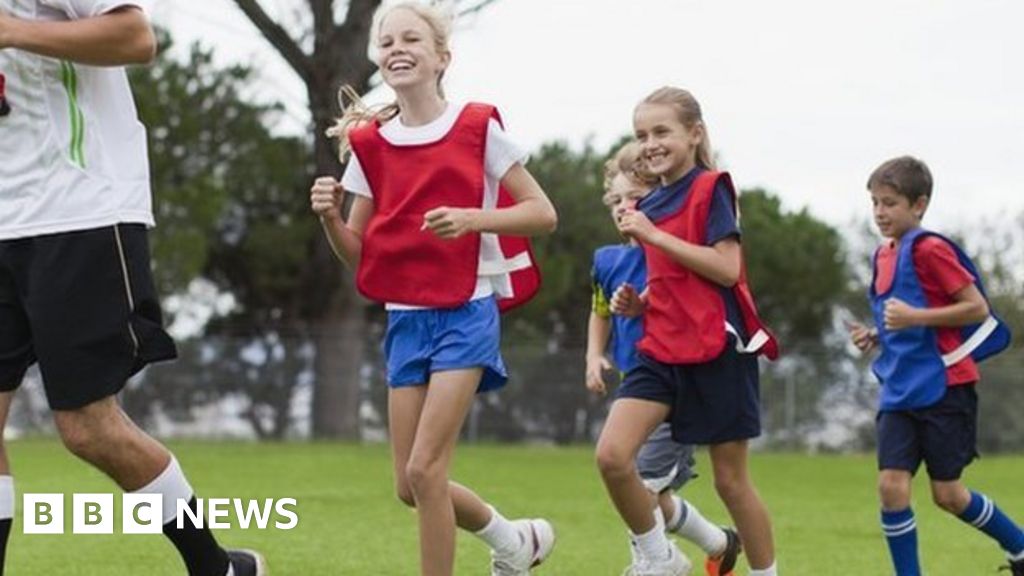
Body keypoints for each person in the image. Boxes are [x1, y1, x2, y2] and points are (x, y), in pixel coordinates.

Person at [0, 2, 264, 575]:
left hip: (78, 210)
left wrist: (12, 31)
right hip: (3, 218)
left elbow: (135, 36)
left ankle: (215, 567)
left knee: (87, 428)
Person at [308, 3, 558, 575]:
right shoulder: (370, 146)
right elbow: (359, 254)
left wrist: (473, 219)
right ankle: (514, 543)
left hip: (466, 313)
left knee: (426, 471)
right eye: (387, 40)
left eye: (411, 39)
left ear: (442, 57)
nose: (396, 47)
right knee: (408, 484)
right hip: (406, 321)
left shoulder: (477, 129)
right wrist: (329, 218)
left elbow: (543, 213)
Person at [596, 86, 780, 576]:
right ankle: (660, 559)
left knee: (730, 483)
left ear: (694, 134)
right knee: (613, 457)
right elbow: (675, 282)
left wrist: (654, 236)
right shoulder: (650, 204)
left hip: (718, 349)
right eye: (641, 134)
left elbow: (724, 268)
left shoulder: (712, 187)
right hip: (662, 349)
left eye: (661, 131)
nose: (650, 143)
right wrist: (641, 302)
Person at [846, 155, 1022, 576]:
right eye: (874, 203)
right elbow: (903, 314)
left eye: (890, 203)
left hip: (945, 387)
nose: (880, 213)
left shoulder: (932, 249)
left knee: (948, 494)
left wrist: (914, 319)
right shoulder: (882, 255)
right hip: (898, 389)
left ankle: (1020, 547)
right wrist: (877, 333)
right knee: (891, 486)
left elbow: (976, 308)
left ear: (919, 205)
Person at [586, 142, 741, 576]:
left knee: (643, 483)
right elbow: (598, 312)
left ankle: (653, 564)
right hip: (637, 383)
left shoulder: (673, 252)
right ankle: (719, 543)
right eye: (615, 200)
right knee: (642, 485)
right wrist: (594, 356)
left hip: (674, 383)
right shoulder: (607, 260)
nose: (623, 208)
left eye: (633, 198)